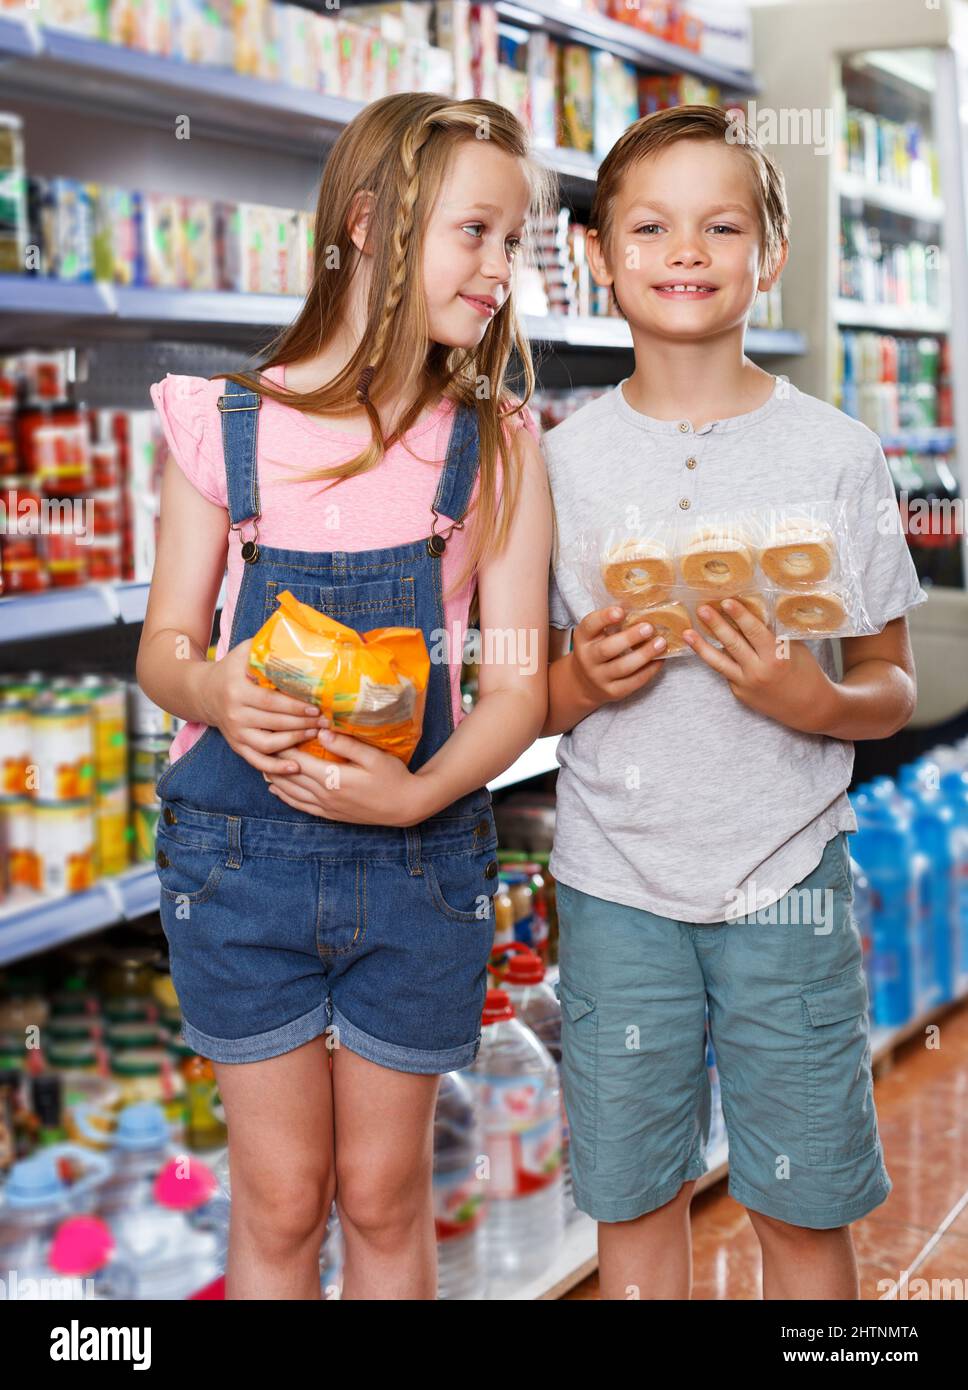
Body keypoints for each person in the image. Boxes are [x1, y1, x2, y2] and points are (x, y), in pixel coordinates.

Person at [137, 92, 555, 1300]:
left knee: (383, 1194)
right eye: (473, 232)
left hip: (418, 868)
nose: (497, 270)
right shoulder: (228, 426)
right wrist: (213, 679)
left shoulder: (499, 442)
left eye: (512, 242)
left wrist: (413, 791)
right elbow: (165, 648)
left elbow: (518, 684)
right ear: (369, 226)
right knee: (277, 1200)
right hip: (235, 861)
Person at [539, 104, 925, 1300]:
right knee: (632, 1193)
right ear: (598, 255)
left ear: (770, 254)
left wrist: (804, 698)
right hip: (612, 882)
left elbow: (890, 687)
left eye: (719, 225)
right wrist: (574, 679)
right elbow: (521, 695)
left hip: (785, 876)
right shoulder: (554, 462)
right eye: (648, 226)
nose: (684, 250)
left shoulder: (835, 454)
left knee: (801, 1203)